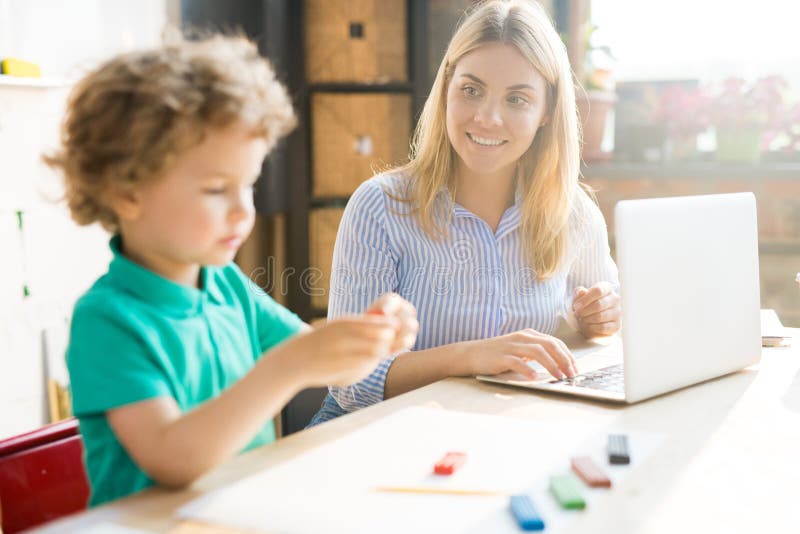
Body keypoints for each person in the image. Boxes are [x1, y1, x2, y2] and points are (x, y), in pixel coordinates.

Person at [45, 34, 417, 506]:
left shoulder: (225, 285)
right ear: (127, 192)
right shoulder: (108, 319)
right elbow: (171, 459)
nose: (244, 212)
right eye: (217, 189)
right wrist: (287, 368)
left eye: (249, 185)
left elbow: (328, 368)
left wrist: (371, 336)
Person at [310, 0, 620, 425]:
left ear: (546, 111)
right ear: (446, 88)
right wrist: (475, 355)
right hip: (374, 433)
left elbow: (601, 327)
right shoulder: (380, 206)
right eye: (471, 90)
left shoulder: (574, 215)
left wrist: (599, 319)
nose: (487, 118)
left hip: (497, 430)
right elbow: (349, 380)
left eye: (517, 99)